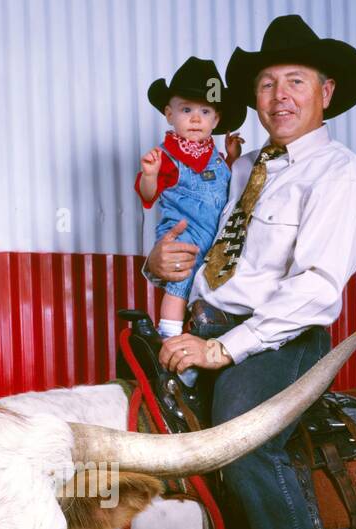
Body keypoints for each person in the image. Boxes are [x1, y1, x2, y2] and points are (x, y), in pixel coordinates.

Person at [144, 14, 356, 529]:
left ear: (325, 91)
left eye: (294, 81)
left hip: (277, 337)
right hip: (202, 325)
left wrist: (221, 349)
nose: (278, 94)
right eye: (267, 82)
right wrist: (155, 264)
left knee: (242, 445)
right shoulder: (240, 165)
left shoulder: (339, 175)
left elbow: (313, 293)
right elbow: (181, 232)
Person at [134, 57, 245, 384]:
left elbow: (229, 185)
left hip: (215, 240)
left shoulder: (217, 156)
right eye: (186, 110)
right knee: (179, 285)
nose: (196, 118)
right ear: (169, 114)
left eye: (205, 112)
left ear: (217, 119)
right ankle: (167, 340)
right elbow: (147, 193)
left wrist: (233, 158)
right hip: (183, 234)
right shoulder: (166, 155)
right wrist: (150, 175)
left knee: (207, 292)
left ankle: (197, 347)